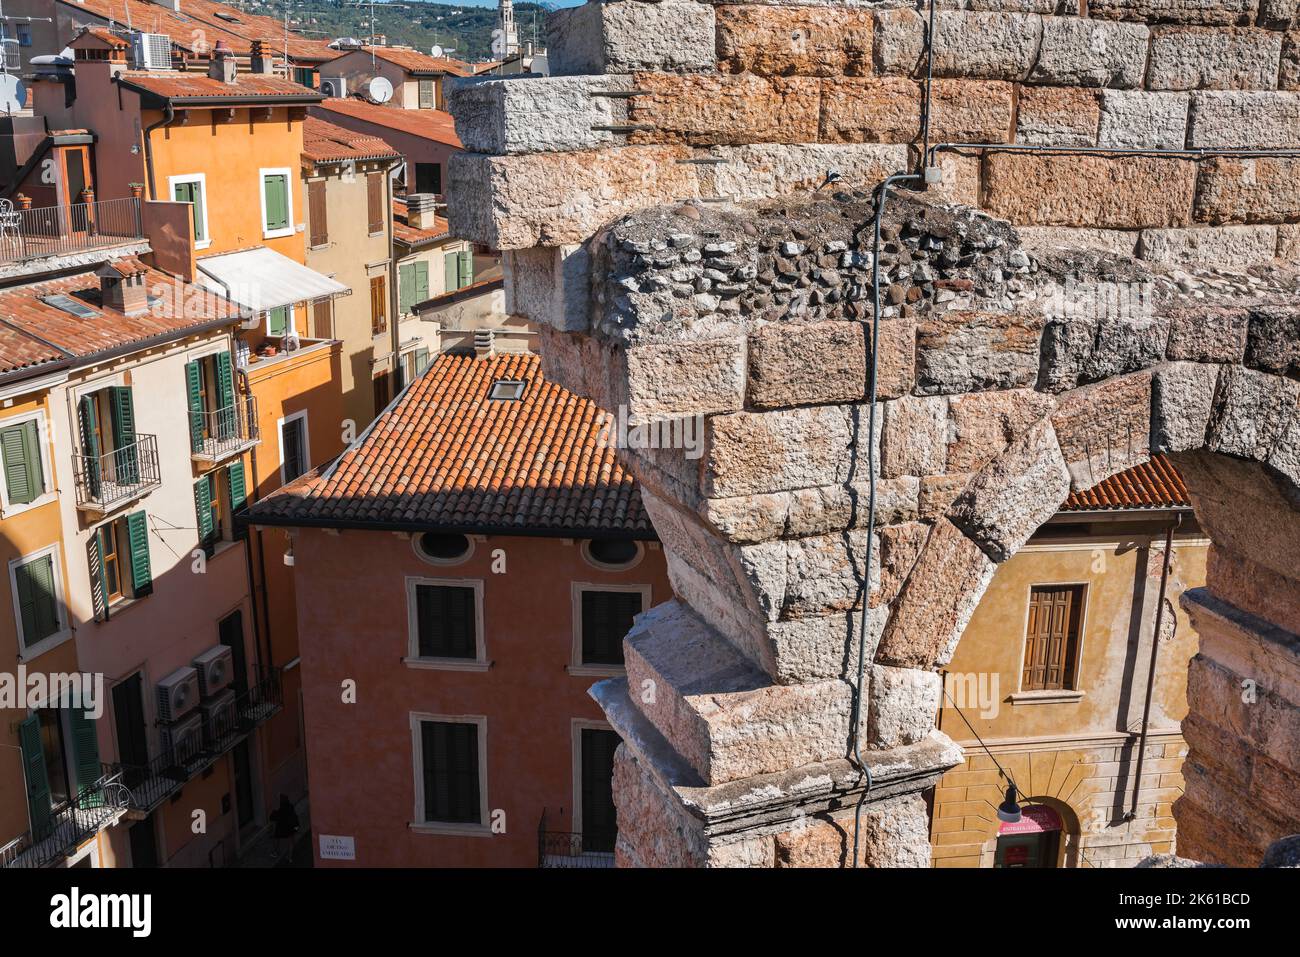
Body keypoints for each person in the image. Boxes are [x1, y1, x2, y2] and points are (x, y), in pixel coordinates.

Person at [269, 794, 299, 864]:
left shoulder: (280, 810)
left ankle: (276, 852)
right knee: (290, 841)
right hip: (291, 827)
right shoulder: (291, 806)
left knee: (276, 838)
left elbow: (272, 817)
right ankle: (290, 857)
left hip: (282, 828)